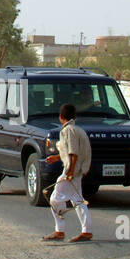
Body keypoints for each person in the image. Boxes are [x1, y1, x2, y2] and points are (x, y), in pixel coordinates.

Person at [41, 103, 93, 243]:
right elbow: (71, 151)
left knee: (54, 199)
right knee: (78, 200)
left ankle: (60, 230)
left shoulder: (68, 131)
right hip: (78, 170)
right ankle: (86, 231)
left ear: (61, 117)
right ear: (74, 116)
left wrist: (70, 172)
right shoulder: (78, 130)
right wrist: (57, 157)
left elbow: (73, 153)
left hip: (72, 170)